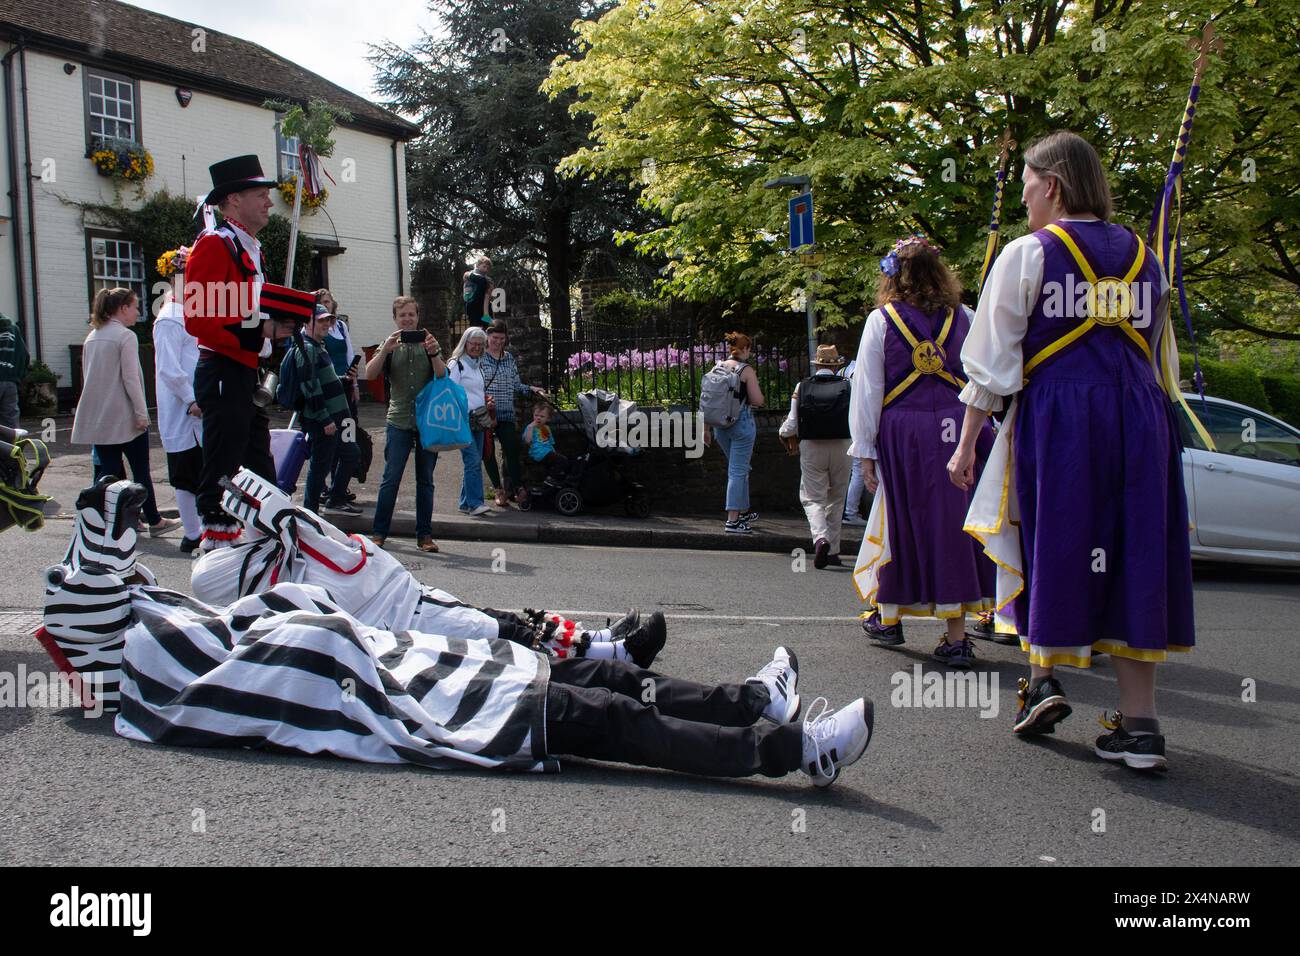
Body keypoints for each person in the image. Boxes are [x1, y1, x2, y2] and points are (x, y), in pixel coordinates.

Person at [42, 474, 875, 787]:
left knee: (609, 685)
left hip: (432, 662)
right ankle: (793, 754)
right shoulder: (164, 681)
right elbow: (88, 603)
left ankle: (753, 701)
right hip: (447, 712)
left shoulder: (202, 634)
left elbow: (119, 586)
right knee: (622, 722)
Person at [949, 130, 1194, 770]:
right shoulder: (1148, 258)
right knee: (1138, 552)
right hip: (1142, 419)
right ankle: (1141, 728)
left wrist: (967, 444)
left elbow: (993, 365)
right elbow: (1160, 356)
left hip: (1062, 416)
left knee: (1051, 541)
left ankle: (1044, 678)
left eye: (1028, 185)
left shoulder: (1029, 254)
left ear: (1051, 185)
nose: (1024, 198)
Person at [850, 237, 995, 667]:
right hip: (961, 429)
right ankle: (956, 635)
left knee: (899, 524)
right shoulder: (967, 318)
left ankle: (889, 617)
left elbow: (868, 390)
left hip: (905, 432)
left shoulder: (881, 321)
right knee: (957, 525)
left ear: (894, 275)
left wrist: (865, 451)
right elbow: (986, 378)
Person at [185, 154, 299, 550]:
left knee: (260, 468)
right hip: (223, 369)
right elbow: (198, 318)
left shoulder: (249, 246)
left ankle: (263, 546)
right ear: (233, 200)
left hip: (243, 369)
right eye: (261, 194)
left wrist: (281, 322)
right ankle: (216, 549)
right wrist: (262, 329)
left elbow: (241, 308)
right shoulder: (216, 244)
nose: (269, 202)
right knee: (223, 465)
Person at [70, 287, 180, 537]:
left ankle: (113, 520)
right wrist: (142, 413)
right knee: (141, 472)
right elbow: (131, 380)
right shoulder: (125, 337)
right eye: (134, 306)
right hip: (126, 416)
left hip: (100, 417)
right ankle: (154, 520)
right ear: (122, 308)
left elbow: (88, 377)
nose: (138, 312)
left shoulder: (93, 337)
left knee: (108, 473)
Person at [364, 295, 444, 551]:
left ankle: (425, 536)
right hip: (398, 420)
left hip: (426, 422)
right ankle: (379, 533)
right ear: (395, 318)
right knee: (390, 478)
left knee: (426, 481)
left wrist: (433, 354)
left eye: (411, 314)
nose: (407, 319)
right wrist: (385, 350)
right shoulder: (389, 343)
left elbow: (443, 375)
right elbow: (370, 374)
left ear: (417, 316)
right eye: (402, 315)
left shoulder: (430, 341)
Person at [779, 344, 852, 568]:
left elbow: (792, 423)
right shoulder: (848, 386)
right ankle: (834, 551)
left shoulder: (803, 387)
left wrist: (783, 433)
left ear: (817, 364)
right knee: (837, 498)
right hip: (843, 444)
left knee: (812, 498)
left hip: (812, 446)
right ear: (837, 365)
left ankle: (820, 538)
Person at [153, 253, 204, 552]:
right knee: (185, 473)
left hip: (198, 406)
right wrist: (191, 398)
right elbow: (169, 369)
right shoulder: (170, 317)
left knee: (199, 469)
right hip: (184, 408)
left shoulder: (188, 314)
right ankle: (193, 532)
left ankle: (202, 527)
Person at [294, 305, 361, 516]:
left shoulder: (318, 346)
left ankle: (334, 498)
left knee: (350, 454)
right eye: (320, 320)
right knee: (320, 465)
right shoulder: (308, 349)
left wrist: (344, 380)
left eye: (327, 320)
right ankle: (311, 513)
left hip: (338, 417)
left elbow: (323, 381)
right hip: (325, 420)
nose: (326, 324)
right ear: (307, 322)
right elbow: (310, 388)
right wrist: (324, 419)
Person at [702, 332, 764, 533]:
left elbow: (708, 400)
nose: (750, 352)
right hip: (742, 425)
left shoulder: (717, 367)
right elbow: (757, 401)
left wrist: (706, 428)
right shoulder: (746, 370)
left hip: (720, 427)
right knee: (737, 471)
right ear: (745, 349)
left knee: (740, 468)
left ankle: (743, 511)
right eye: (749, 349)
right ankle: (733, 521)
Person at [481, 319, 547, 507]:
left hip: (506, 412)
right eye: (495, 337)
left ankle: (517, 487)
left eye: (502, 338)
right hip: (485, 413)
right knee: (488, 452)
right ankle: (498, 489)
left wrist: (531, 389)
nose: (498, 342)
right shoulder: (481, 358)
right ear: (488, 336)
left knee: (511, 449)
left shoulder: (508, 358)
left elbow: (516, 384)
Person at [317, 289, 361, 505]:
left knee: (348, 433)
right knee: (332, 438)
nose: (326, 305)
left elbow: (350, 354)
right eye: (322, 303)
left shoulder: (341, 326)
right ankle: (327, 486)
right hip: (329, 391)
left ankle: (340, 485)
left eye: (328, 302)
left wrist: (354, 384)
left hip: (345, 387)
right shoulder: (316, 332)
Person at [446, 326, 492, 516]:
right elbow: (450, 391)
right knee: (472, 460)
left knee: (474, 460)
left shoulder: (477, 363)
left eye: (480, 345)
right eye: (473, 343)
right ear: (466, 343)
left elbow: (475, 391)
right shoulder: (457, 364)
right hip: (463, 419)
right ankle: (475, 503)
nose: (476, 347)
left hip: (479, 418)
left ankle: (466, 502)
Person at [841, 359, 868, 527]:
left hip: (846, 423)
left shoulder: (843, 371)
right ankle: (850, 512)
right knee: (859, 469)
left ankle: (848, 511)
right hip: (861, 422)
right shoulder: (860, 370)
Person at [522, 399, 569, 482]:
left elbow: (551, 443)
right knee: (562, 460)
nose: (538, 418)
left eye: (542, 416)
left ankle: (554, 477)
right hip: (538, 453)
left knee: (562, 460)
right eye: (536, 415)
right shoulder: (530, 428)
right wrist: (530, 427)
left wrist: (554, 453)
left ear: (548, 418)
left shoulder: (547, 428)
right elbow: (527, 441)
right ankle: (550, 479)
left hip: (547, 451)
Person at [0, 311, 29, 431]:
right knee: (10, 426)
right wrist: (18, 377)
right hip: (10, 382)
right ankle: (11, 449)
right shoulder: (13, 328)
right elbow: (25, 355)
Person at [462, 256, 494, 325]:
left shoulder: (484, 277)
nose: (486, 270)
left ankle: (486, 315)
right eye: (484, 267)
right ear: (477, 265)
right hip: (471, 297)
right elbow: (479, 279)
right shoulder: (473, 273)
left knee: (487, 293)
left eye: (488, 268)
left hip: (478, 300)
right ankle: (486, 315)